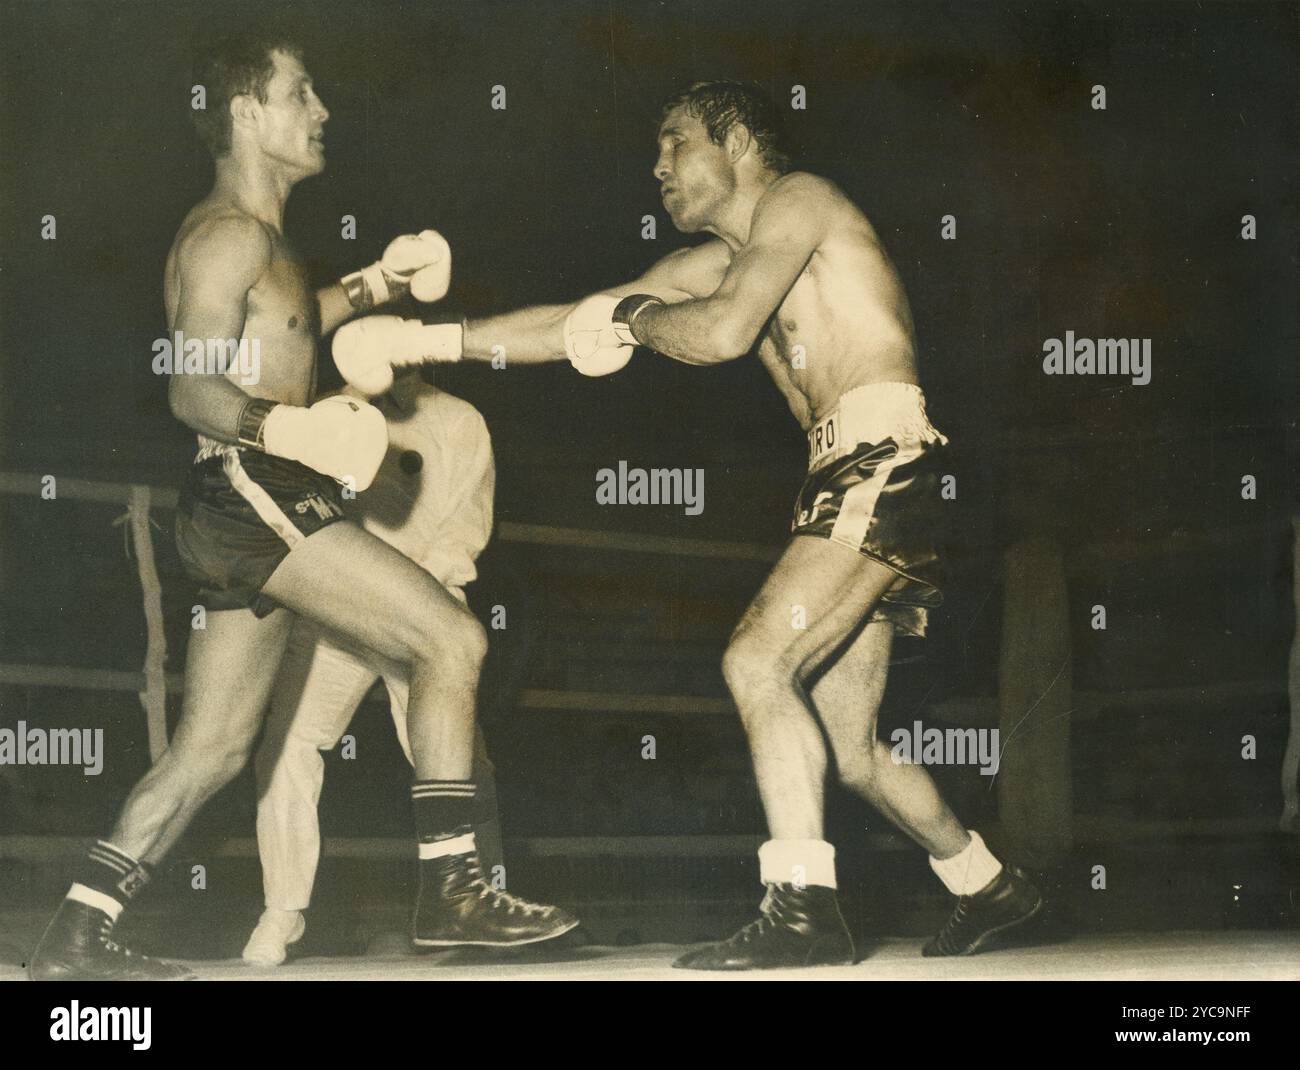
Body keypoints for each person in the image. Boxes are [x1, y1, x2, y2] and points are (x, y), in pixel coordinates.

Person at [334, 80, 1043, 971]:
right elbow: (573, 324)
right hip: (843, 474)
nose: (657, 167)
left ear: (737, 139)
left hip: (885, 454)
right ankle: (988, 888)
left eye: (674, 143)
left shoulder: (801, 200)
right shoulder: (715, 261)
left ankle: (801, 909)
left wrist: (634, 319)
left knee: (756, 660)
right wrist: (424, 339)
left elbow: (719, 335)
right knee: (852, 749)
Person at [29, 30, 574, 981]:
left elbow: (288, 323)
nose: (321, 112)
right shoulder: (226, 235)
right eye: (301, 93)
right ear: (248, 112)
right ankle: (454, 890)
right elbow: (190, 389)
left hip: (247, 498)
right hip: (254, 486)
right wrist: (288, 434)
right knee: (452, 639)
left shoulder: (265, 241)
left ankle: (75, 934)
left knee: (212, 749)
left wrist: (379, 284)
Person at [243, 371, 505, 967]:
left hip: (425, 608)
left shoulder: (460, 419)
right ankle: (280, 911)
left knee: (456, 758)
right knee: (285, 745)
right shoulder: (331, 409)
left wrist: (412, 596)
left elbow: (467, 526)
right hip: (337, 605)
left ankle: (482, 899)